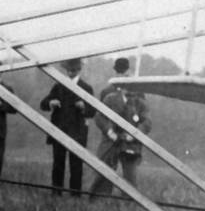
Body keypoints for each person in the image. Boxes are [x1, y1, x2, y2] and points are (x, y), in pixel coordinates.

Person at [89, 58, 151, 195]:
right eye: (118, 73)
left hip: (131, 143)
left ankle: (129, 201)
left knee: (130, 177)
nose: (121, 76)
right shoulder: (108, 94)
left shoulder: (139, 96)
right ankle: (99, 200)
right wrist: (109, 131)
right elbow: (99, 116)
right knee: (103, 172)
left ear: (129, 73)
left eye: (124, 73)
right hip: (111, 139)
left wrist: (135, 133)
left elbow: (146, 120)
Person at [40, 57, 96, 195]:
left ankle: (75, 194)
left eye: (74, 70)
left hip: (77, 132)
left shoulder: (86, 88)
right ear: (66, 70)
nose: (71, 72)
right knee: (58, 163)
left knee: (76, 165)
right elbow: (43, 104)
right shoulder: (58, 86)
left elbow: (93, 111)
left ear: (79, 70)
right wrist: (50, 102)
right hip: (59, 130)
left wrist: (84, 107)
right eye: (69, 70)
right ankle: (56, 192)